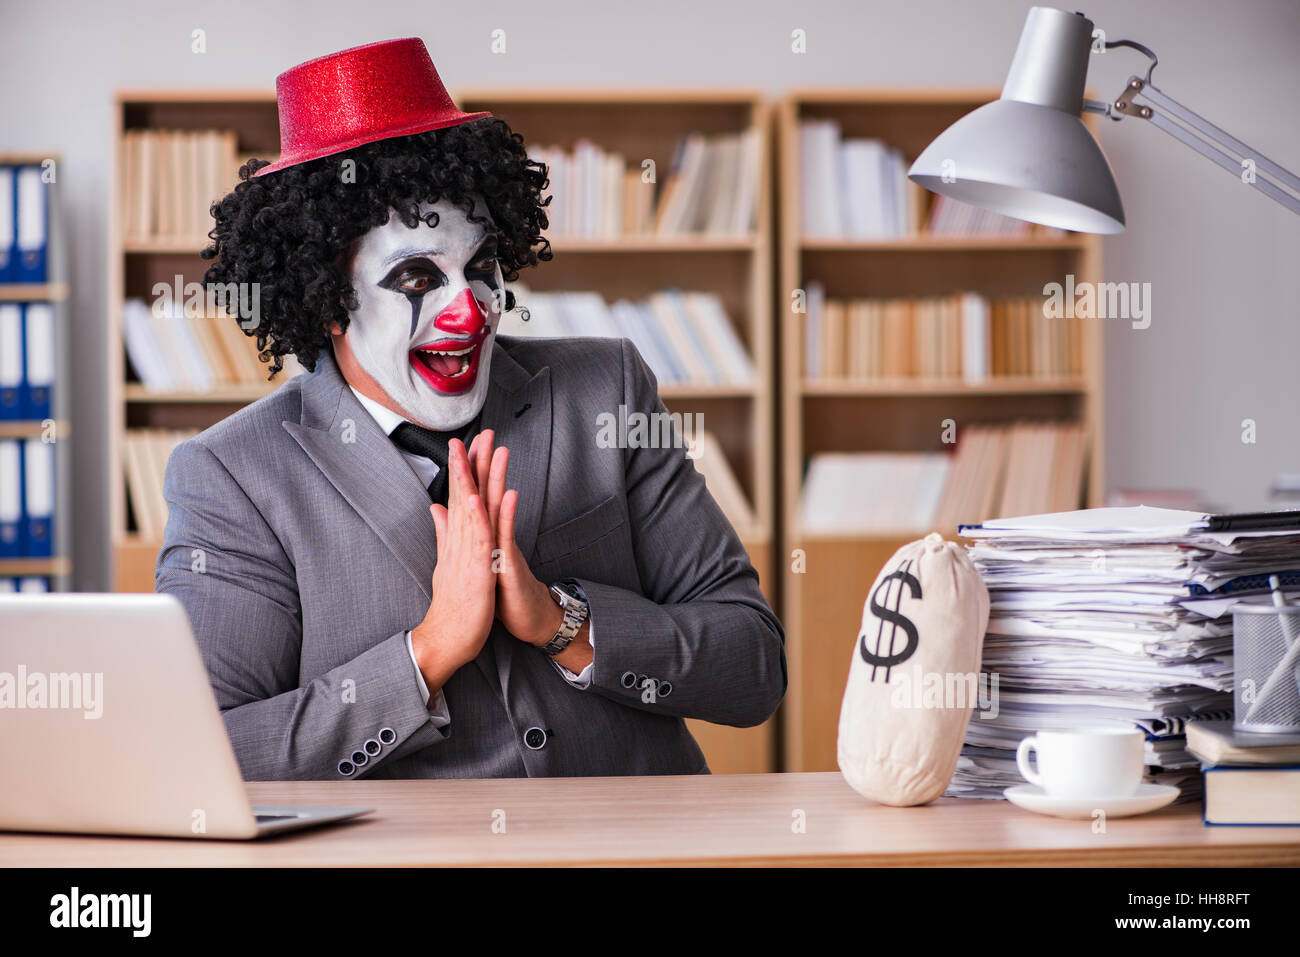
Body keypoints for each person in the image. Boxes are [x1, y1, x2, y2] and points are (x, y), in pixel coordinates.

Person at [157, 37, 785, 780]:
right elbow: (204, 753)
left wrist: (562, 621)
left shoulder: (605, 388)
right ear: (327, 300)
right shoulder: (233, 475)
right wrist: (429, 650)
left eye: (480, 267)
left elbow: (753, 666)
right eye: (418, 275)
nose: (472, 310)